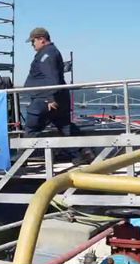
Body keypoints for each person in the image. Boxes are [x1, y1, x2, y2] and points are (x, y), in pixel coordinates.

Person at [22, 27, 93, 165]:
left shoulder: (46, 55)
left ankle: (21, 159)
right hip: (55, 97)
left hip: (45, 98)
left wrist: (49, 98)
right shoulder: (50, 53)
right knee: (65, 126)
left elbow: (51, 77)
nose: (32, 45)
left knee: (31, 128)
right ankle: (84, 152)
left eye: (33, 41)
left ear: (42, 39)